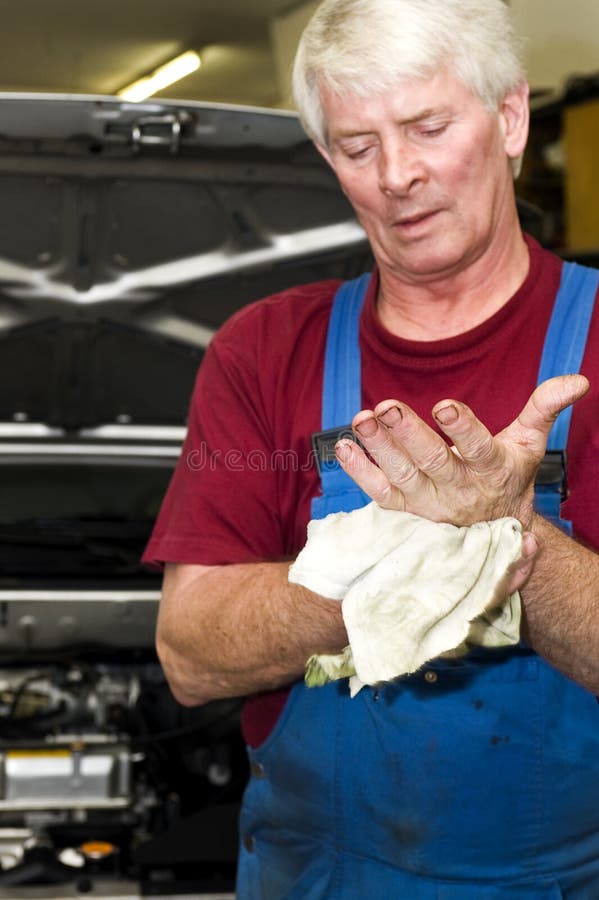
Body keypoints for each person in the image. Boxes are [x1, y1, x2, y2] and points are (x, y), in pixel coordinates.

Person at [143, 0, 599, 896]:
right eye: (356, 146)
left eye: (428, 127)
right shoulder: (264, 351)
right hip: (312, 876)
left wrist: (512, 544)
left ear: (509, 119)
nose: (395, 175)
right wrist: (411, 552)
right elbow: (190, 656)